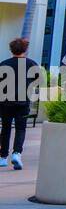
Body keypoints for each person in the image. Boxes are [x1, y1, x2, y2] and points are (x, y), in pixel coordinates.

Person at [0, 37, 40, 171]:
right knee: (20, 129)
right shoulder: (31, 64)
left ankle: (3, 157)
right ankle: (17, 153)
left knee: (5, 129)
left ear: (11, 49)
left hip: (5, 102)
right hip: (23, 102)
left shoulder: (4, 64)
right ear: (25, 50)